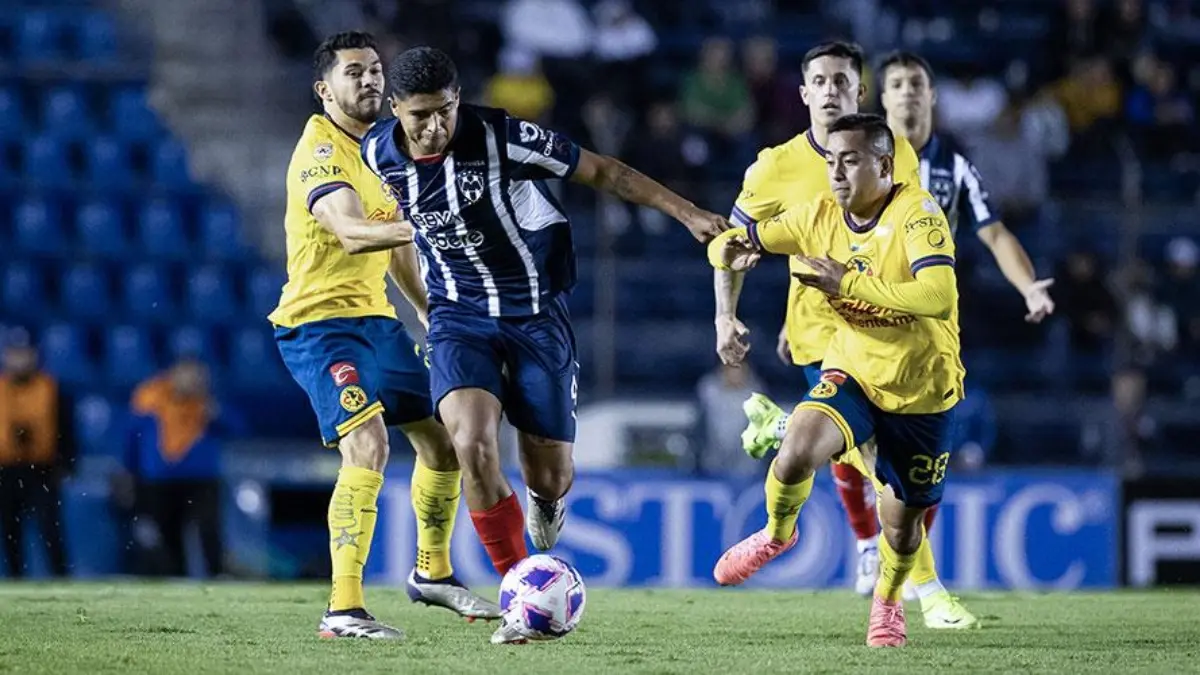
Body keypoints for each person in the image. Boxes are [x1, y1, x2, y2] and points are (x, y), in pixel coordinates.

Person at [361, 45, 728, 645]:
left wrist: (686, 214)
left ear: (459, 100)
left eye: (446, 111)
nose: (435, 127)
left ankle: (545, 501)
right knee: (472, 443)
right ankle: (518, 595)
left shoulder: (501, 136)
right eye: (420, 115)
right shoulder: (376, 152)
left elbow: (604, 171)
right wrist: (421, 306)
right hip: (459, 318)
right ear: (396, 108)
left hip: (535, 318)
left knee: (551, 474)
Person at [741, 51, 1056, 611]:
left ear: (931, 97)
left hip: (927, 331)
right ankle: (881, 559)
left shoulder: (947, 169)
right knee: (839, 440)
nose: (907, 94)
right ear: (879, 99)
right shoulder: (840, 163)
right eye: (897, 85)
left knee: (901, 481)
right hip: (845, 326)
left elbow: (993, 232)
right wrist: (790, 312)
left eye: (916, 84)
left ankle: (895, 558)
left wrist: (1028, 285)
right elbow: (813, 236)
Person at [718, 43, 967, 628]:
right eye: (819, 80)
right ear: (803, 92)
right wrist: (725, 266)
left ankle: (889, 593)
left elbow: (925, 283)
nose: (836, 172)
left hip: (918, 374)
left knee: (902, 510)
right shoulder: (783, 175)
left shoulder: (909, 189)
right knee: (814, 446)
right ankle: (787, 537)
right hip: (836, 349)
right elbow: (735, 240)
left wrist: (852, 281)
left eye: (842, 80)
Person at [270, 31, 498, 640]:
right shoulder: (320, 151)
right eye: (354, 73)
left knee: (444, 443)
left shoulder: (378, 149)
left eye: (375, 70)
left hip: (378, 322)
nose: (370, 80)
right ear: (325, 89)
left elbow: (393, 244)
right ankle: (342, 610)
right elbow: (350, 229)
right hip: (320, 328)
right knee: (368, 445)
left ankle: (433, 573)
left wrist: (431, 314)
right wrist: (430, 222)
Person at [124, 358, 230, 578]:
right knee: (168, 534)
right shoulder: (150, 398)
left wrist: (217, 415)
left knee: (208, 527)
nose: (192, 381)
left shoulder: (207, 404)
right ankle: (175, 579)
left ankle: (218, 575)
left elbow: (238, 429)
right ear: (173, 374)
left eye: (196, 376)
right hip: (160, 480)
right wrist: (130, 472)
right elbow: (133, 438)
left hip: (200, 479)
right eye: (187, 374)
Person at [0, 332, 71, 578]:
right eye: (15, 354)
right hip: (6, 471)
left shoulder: (51, 388)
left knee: (50, 529)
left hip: (42, 470)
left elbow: (66, 429)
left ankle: (62, 581)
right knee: (10, 531)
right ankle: (15, 582)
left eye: (25, 354)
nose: (20, 360)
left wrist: (66, 464)